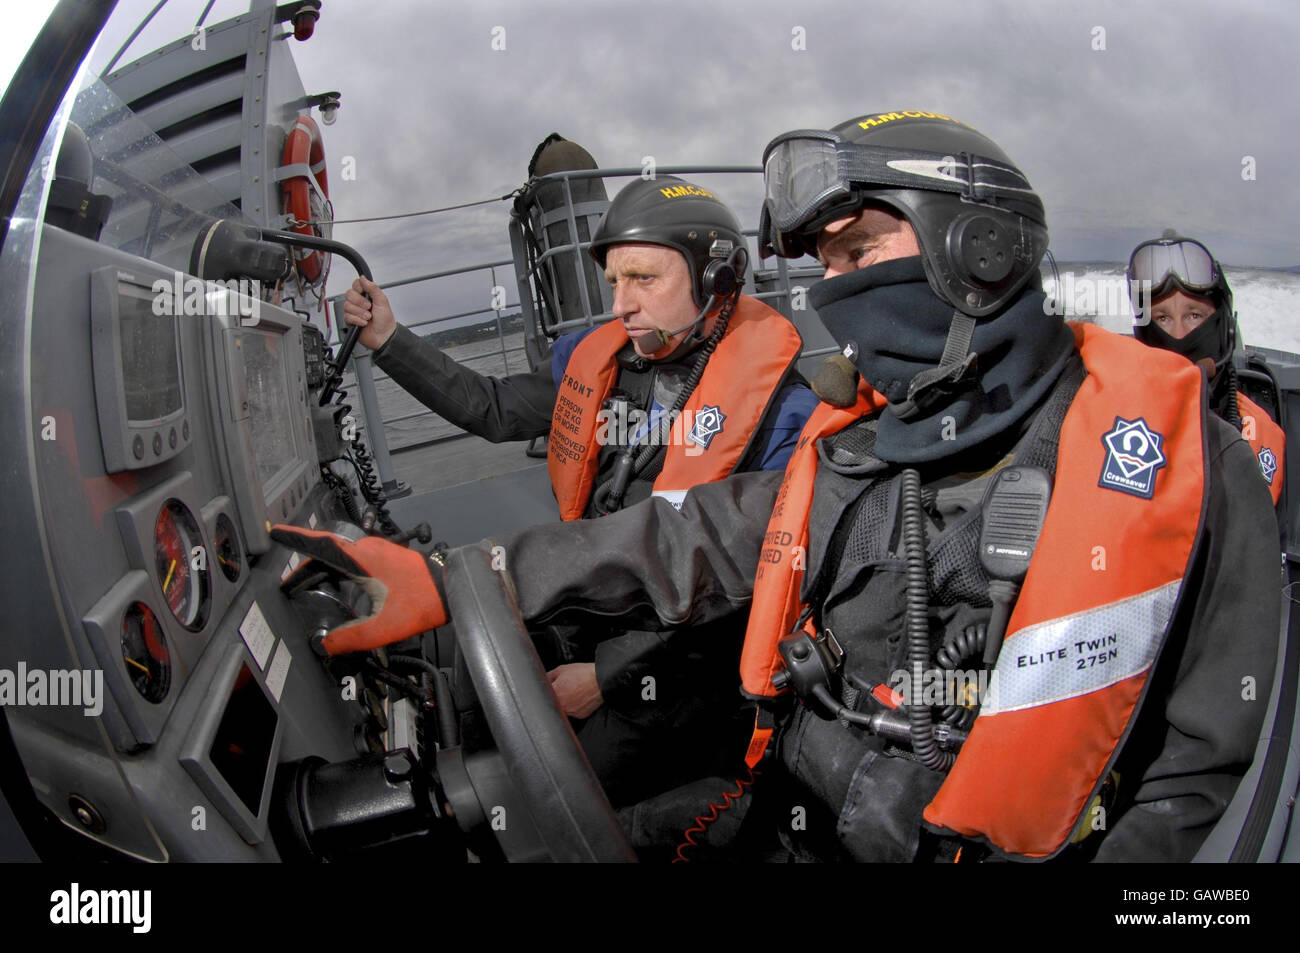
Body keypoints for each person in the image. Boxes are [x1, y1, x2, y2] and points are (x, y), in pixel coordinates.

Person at [278, 112, 1280, 862]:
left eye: (857, 252)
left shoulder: (1185, 463)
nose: (834, 290)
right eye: (823, 264)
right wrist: (478, 576)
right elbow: (696, 535)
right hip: (791, 811)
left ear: (979, 249)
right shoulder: (862, 447)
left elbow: (1195, 765)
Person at [344, 176, 818, 806]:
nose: (621, 304)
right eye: (614, 282)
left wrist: (610, 677)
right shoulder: (602, 365)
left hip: (682, 661)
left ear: (718, 280)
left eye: (644, 279)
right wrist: (389, 340)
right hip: (598, 608)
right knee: (471, 669)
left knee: (565, 793)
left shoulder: (784, 417)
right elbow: (492, 407)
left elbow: (756, 587)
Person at [1128, 231, 1284, 505]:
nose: (1178, 334)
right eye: (1162, 318)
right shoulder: (1118, 420)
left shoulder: (1261, 430)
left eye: (1194, 315)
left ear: (1224, 325)